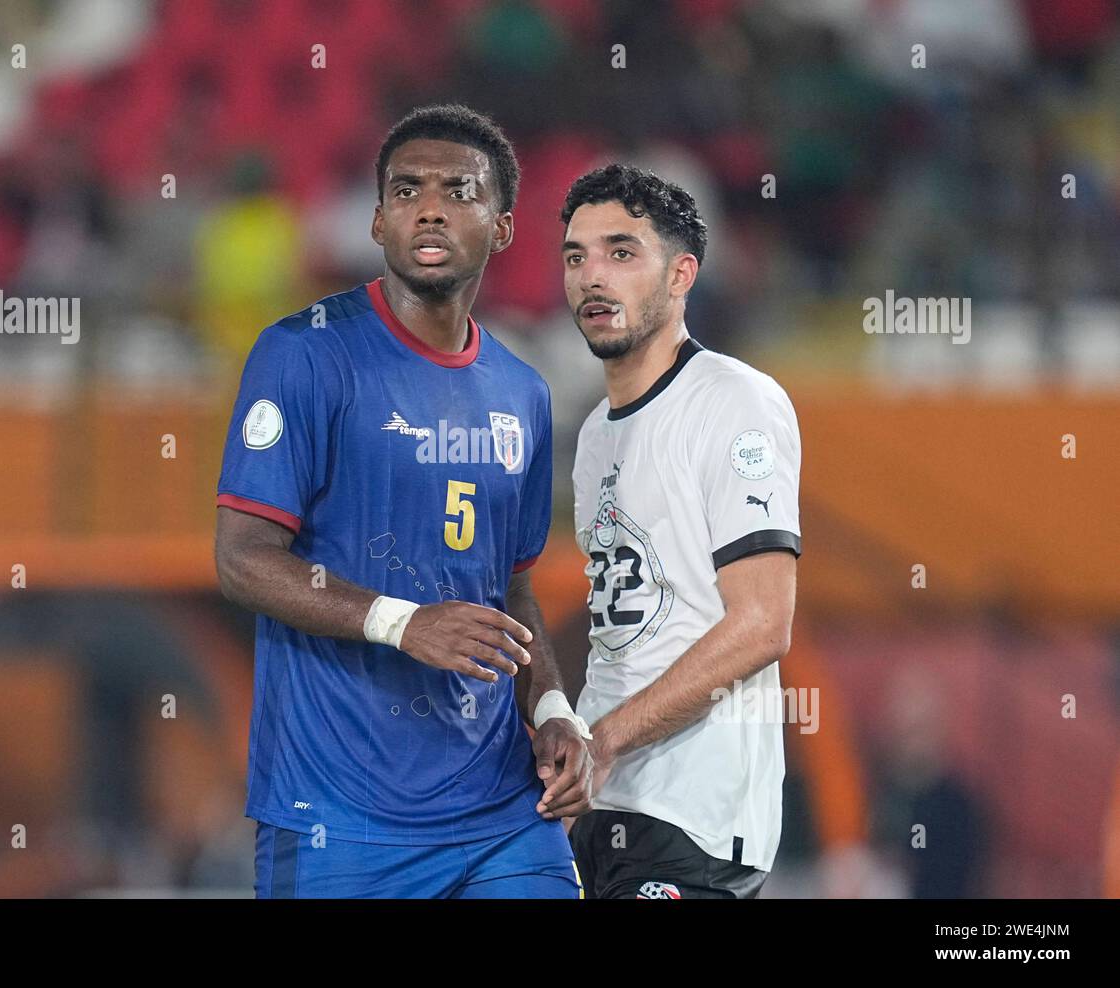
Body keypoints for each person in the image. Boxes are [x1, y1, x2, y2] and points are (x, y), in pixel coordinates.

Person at [214, 105, 592, 899]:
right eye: (407, 189)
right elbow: (242, 559)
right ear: (378, 222)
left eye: (460, 191)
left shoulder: (523, 394)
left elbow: (512, 589)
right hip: (337, 818)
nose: (430, 206)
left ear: (503, 227)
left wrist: (554, 707)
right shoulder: (304, 355)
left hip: (500, 812)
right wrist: (404, 622)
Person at [561, 164, 801, 899]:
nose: (592, 277)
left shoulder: (736, 403)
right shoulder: (594, 433)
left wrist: (603, 741)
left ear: (680, 275)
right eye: (576, 257)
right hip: (601, 809)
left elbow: (763, 623)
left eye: (621, 252)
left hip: (694, 812)